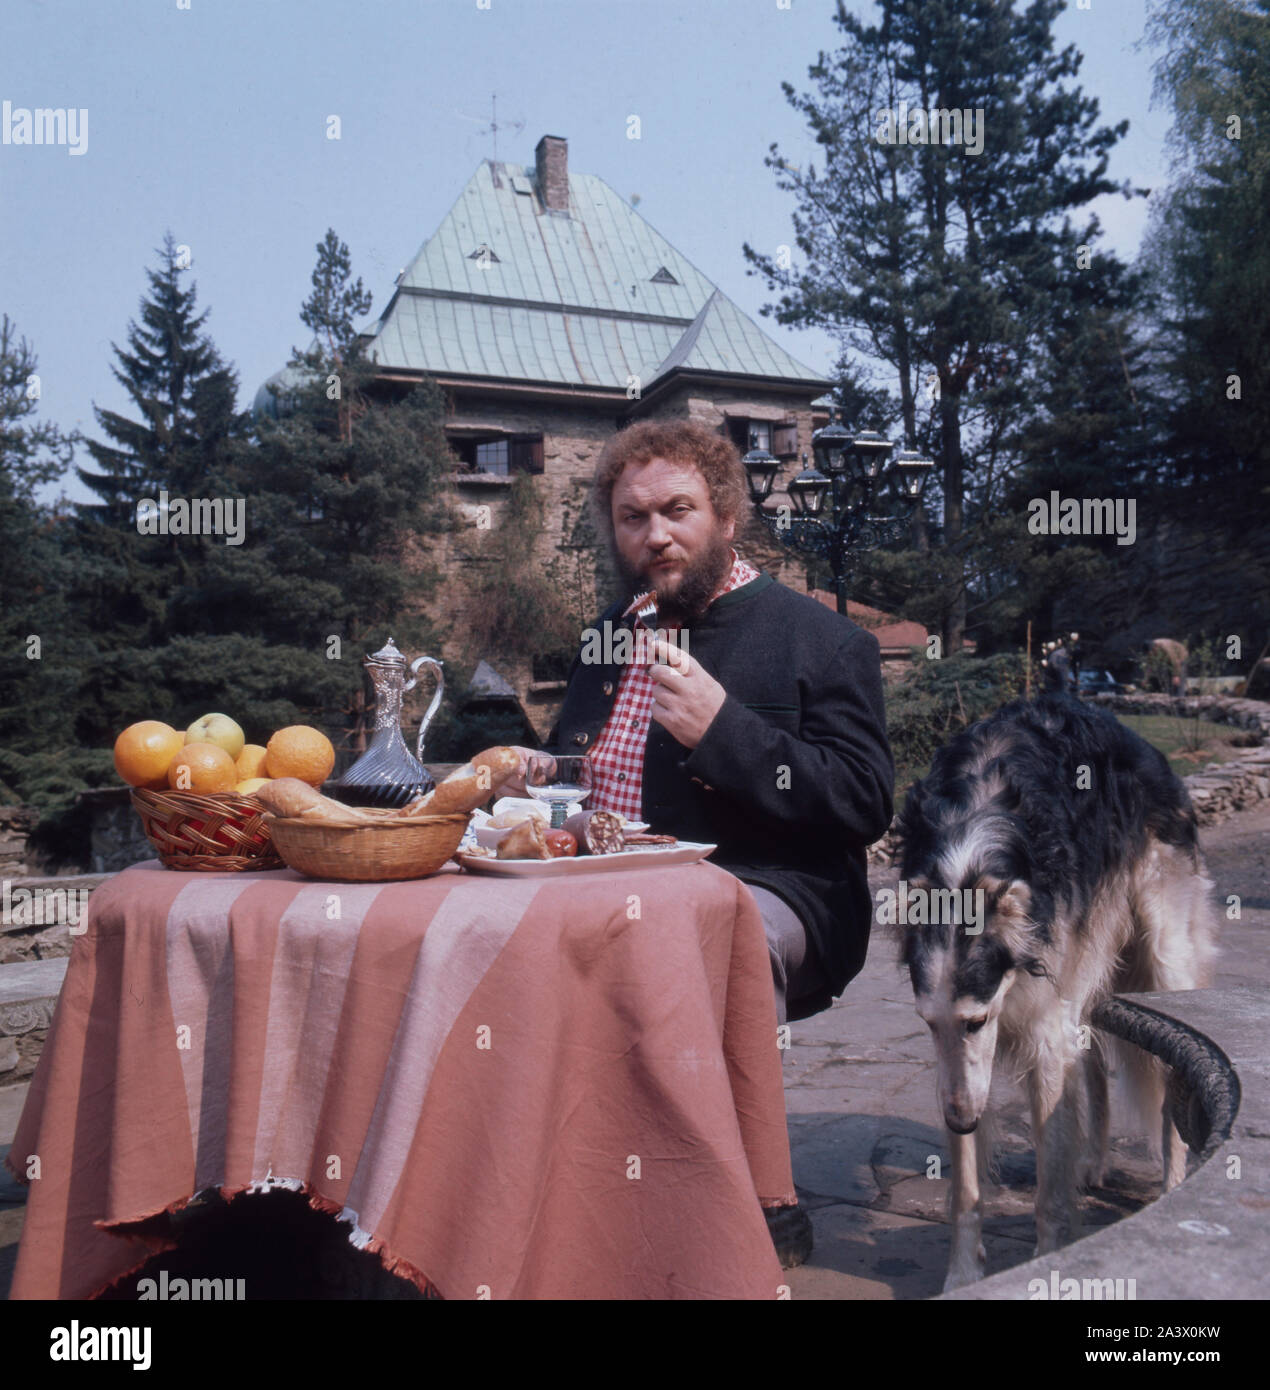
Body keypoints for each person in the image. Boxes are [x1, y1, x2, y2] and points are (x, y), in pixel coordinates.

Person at [494, 419, 895, 1266]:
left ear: (727, 517)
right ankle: (550, 1189)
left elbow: (864, 802)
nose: (656, 535)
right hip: (614, 879)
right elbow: (586, 772)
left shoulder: (819, 640)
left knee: (688, 933)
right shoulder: (606, 637)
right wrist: (539, 780)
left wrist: (725, 734)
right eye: (633, 518)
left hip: (778, 887)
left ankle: (753, 1194)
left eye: (677, 510)